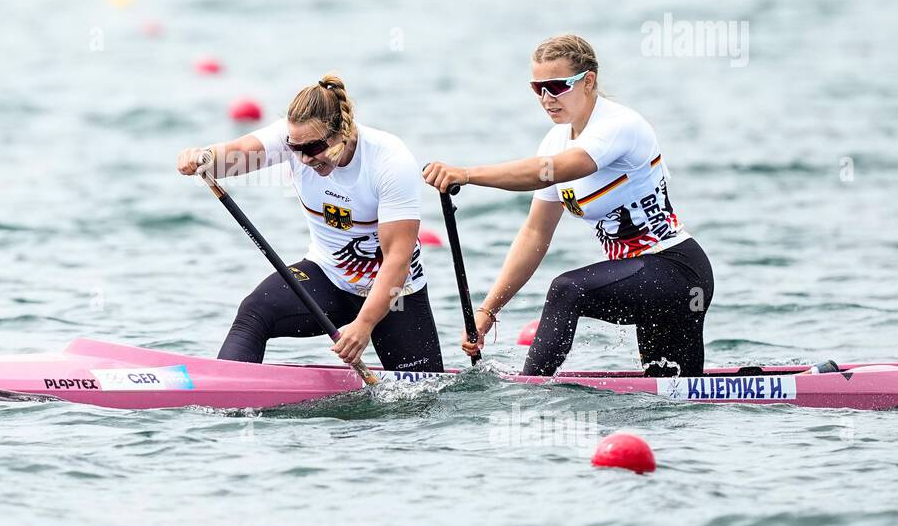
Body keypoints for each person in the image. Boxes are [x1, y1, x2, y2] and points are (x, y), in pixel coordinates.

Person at [422, 34, 713, 378]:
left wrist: (468, 175)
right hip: (642, 280)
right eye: (538, 88)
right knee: (673, 393)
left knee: (567, 289)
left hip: (677, 271)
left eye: (557, 86)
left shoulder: (619, 126)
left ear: (588, 81)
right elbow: (534, 234)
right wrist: (487, 311)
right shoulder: (556, 139)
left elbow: (551, 172)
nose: (546, 98)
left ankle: (529, 393)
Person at [178, 74, 442, 372]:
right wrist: (203, 157)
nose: (303, 159)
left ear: (342, 131)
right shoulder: (296, 138)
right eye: (295, 149)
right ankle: (224, 394)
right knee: (255, 311)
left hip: (395, 294)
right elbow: (235, 156)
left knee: (420, 398)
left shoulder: (389, 161)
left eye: (314, 148)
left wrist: (364, 324)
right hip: (328, 277)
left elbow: (397, 258)